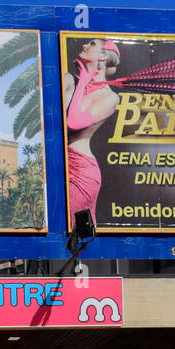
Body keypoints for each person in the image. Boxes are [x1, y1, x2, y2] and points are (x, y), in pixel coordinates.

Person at [62, 39, 121, 227]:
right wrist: (80, 82)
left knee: (73, 230)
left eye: (92, 44)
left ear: (103, 55)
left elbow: (73, 122)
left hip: (81, 169)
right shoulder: (69, 80)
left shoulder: (110, 97)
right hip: (57, 166)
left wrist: (83, 83)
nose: (84, 46)